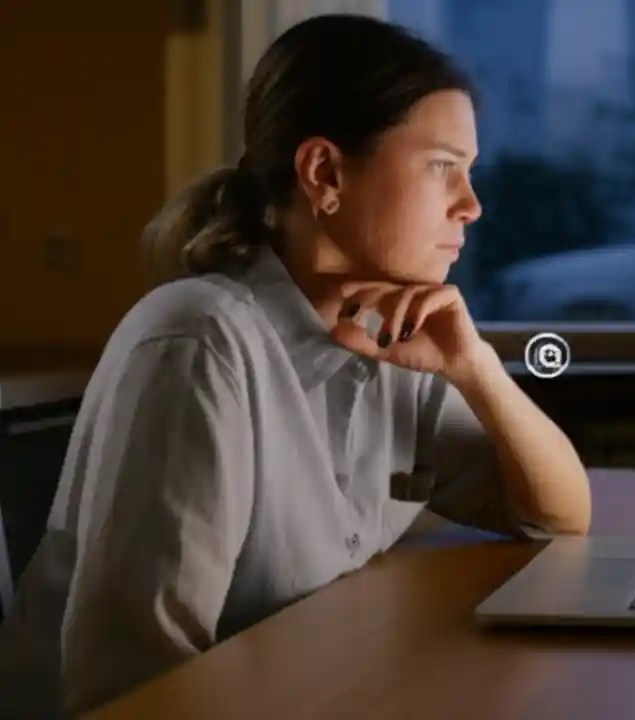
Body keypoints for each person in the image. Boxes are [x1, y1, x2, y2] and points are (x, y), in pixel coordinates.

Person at [0, 14, 592, 716]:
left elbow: (558, 516)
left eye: (469, 172)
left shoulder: (389, 338)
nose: (472, 205)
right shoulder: (201, 344)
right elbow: (133, 685)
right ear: (324, 173)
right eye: (442, 168)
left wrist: (476, 367)